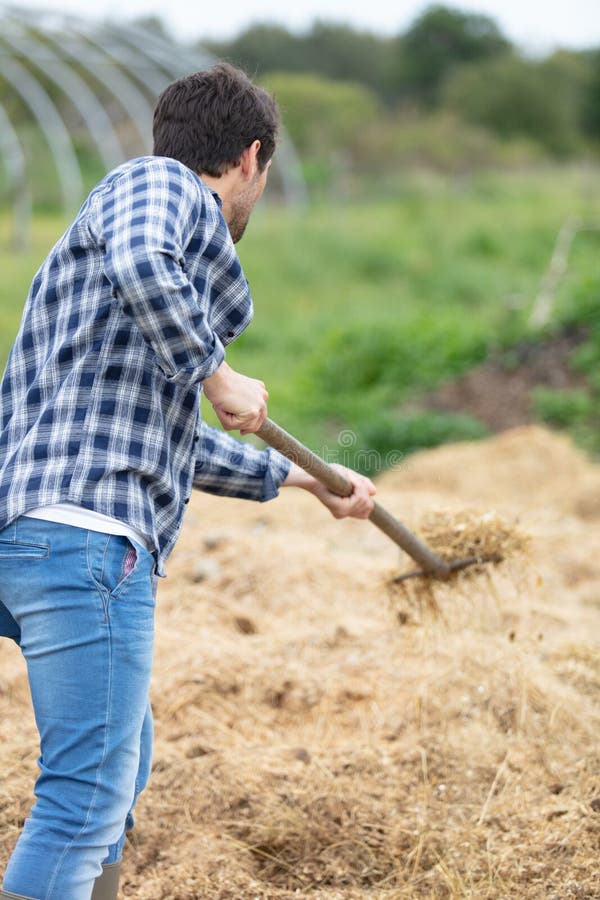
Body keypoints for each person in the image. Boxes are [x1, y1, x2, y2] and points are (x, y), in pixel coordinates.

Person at [0, 63, 376, 900]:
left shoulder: (127, 299)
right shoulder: (160, 190)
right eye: (264, 180)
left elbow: (171, 446)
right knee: (82, 801)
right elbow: (145, 258)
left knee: (121, 763)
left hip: (29, 530)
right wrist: (214, 369)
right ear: (250, 159)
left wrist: (308, 481)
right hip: (85, 538)